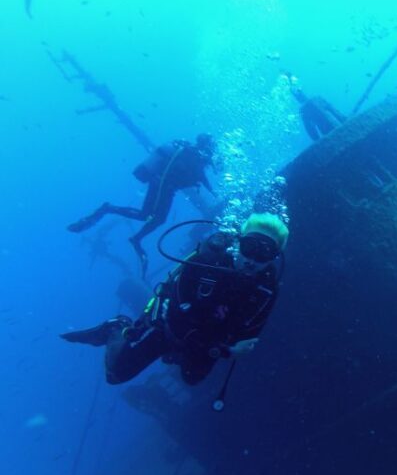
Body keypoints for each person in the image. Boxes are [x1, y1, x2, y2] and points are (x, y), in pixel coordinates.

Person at [61, 213, 288, 386]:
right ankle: (118, 327)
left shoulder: (266, 290)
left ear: (274, 259)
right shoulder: (206, 264)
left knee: (192, 379)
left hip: (210, 339)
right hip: (170, 327)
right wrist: (226, 350)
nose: (252, 260)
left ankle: (182, 354)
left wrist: (234, 344)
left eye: (264, 254)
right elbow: (179, 318)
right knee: (115, 375)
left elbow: (251, 332)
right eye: (249, 248)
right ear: (238, 243)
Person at [67, 133, 219, 275]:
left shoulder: (191, 153)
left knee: (151, 217)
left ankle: (132, 235)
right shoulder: (194, 155)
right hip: (162, 185)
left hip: (164, 186)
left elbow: (198, 176)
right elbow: (201, 176)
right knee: (149, 216)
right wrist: (214, 192)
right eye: (212, 147)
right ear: (206, 145)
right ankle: (111, 212)